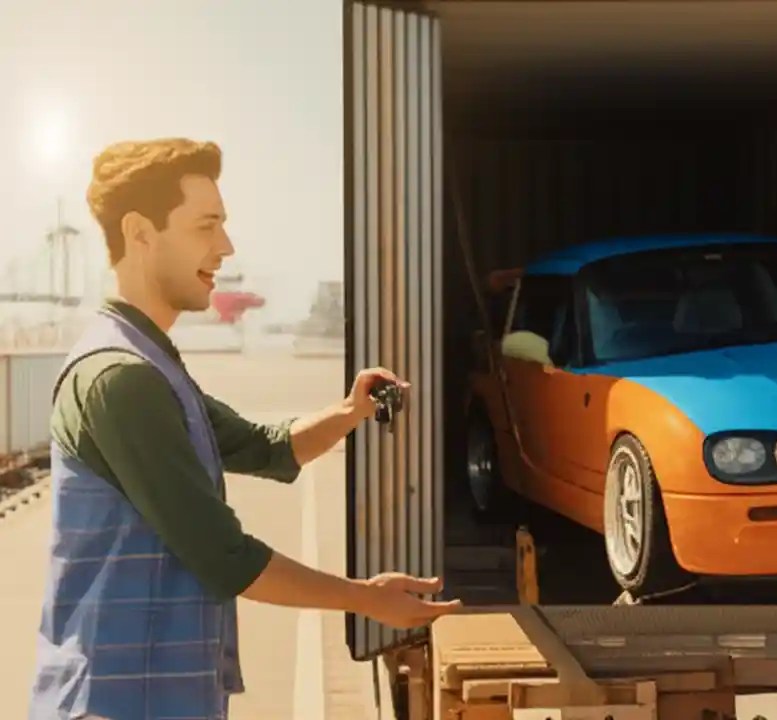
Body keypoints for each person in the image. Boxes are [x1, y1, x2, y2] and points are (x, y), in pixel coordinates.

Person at [28, 138, 461, 720]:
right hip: (117, 701)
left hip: (157, 696)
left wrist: (350, 410)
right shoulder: (120, 379)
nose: (226, 246)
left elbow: (263, 446)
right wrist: (367, 599)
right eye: (206, 226)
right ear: (139, 233)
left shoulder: (151, 364)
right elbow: (225, 556)